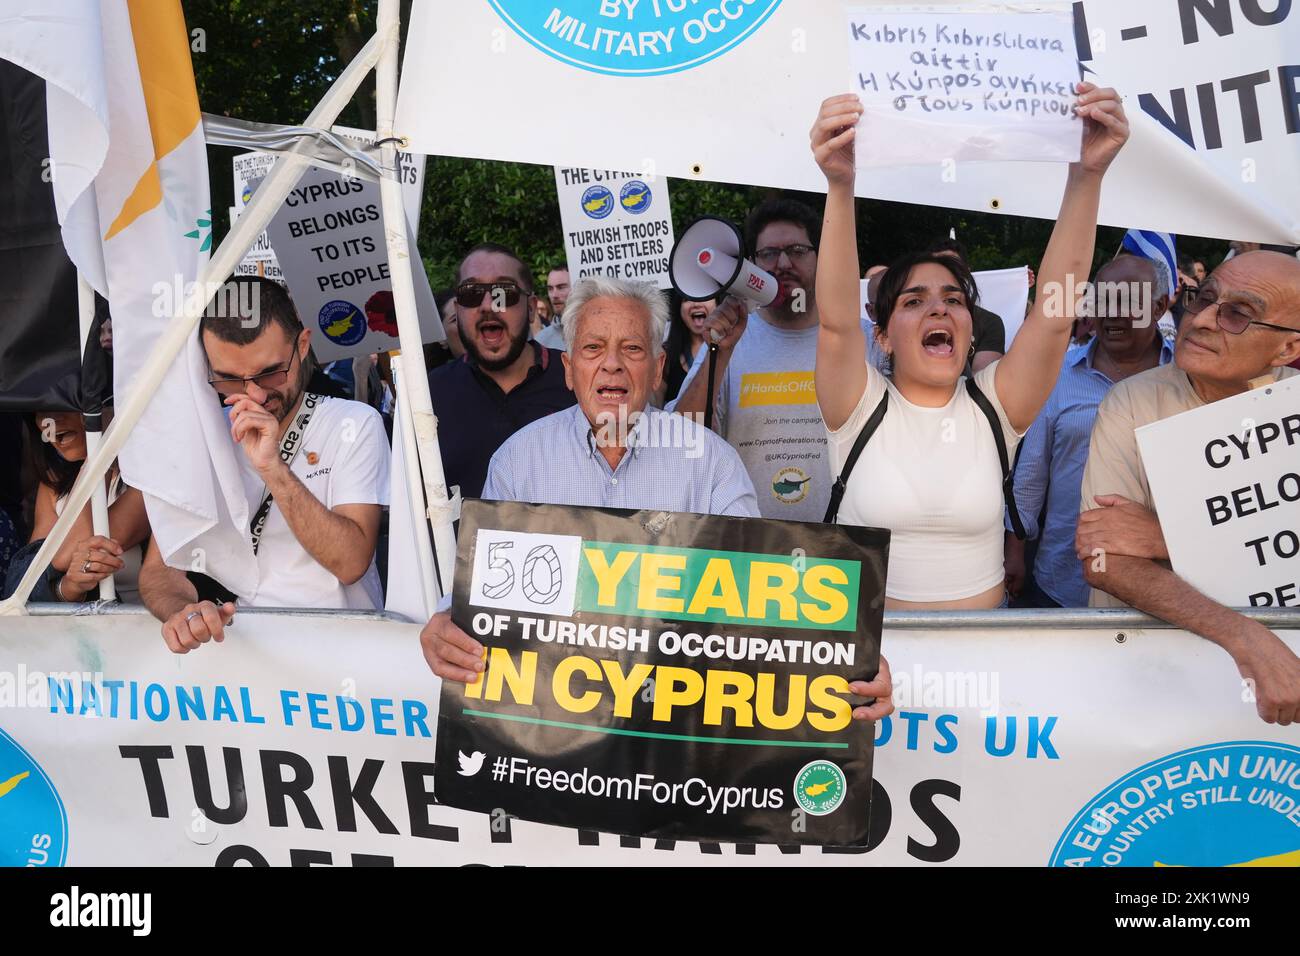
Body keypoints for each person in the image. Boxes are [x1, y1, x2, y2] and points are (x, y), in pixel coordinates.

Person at [419, 274, 893, 722]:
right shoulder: (518, 462)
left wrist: (847, 654)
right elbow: (484, 587)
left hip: (678, 728)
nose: (612, 364)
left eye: (632, 348)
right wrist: (446, 619)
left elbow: (765, 592)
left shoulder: (711, 462)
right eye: (592, 348)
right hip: (556, 727)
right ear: (568, 368)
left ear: (657, 367)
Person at [811, 82, 1129, 609]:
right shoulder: (856, 405)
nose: (938, 309)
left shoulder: (994, 408)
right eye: (913, 301)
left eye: (953, 299)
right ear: (883, 336)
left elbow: (1053, 317)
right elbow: (838, 322)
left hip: (986, 675)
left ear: (971, 327)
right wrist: (840, 185)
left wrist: (1087, 173)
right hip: (870, 677)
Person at [1077, 250, 1300, 724]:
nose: (1200, 321)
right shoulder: (1132, 400)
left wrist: (1166, 538)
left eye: (1239, 314)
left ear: (1287, 350)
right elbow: (1105, 560)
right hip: (1143, 675)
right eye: (1205, 298)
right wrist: (1245, 636)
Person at [139, 276, 390, 652]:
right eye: (228, 380)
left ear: (303, 346)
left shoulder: (353, 423)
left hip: (344, 655)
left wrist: (273, 468)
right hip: (248, 661)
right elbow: (159, 569)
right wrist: (184, 612)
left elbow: (351, 562)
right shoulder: (202, 438)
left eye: (271, 373)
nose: (254, 394)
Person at [670, 198, 880, 522]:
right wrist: (719, 353)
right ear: (752, 262)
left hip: (848, 544)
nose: (782, 264)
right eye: (768, 254)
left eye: (797, 250)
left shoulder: (864, 340)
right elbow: (683, 435)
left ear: (820, 258)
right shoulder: (730, 339)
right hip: (751, 544)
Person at [1005, 255, 1173, 608]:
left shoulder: (1188, 377)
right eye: (1102, 299)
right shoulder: (1057, 375)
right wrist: (1015, 551)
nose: (1110, 313)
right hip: (1063, 583)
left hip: (1166, 588)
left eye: (1126, 300)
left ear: (1159, 307)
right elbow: (1031, 475)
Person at [427, 243, 575, 499]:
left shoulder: (578, 380)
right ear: (458, 309)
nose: (487, 306)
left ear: (531, 308)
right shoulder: (430, 394)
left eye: (503, 293)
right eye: (471, 293)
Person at [18, 409, 149, 603]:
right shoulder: (53, 483)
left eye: (70, 405)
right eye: (41, 410)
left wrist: (104, 442)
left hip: (142, 628)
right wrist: (69, 588)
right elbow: (33, 575)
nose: (52, 419)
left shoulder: (147, 481)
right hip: (74, 627)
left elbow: (65, 557)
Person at [927, 237, 1005, 372]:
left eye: (953, 266)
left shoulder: (989, 321)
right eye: (938, 267)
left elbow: (980, 381)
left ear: (966, 272)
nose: (945, 273)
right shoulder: (913, 317)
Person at [659, 289, 714, 405]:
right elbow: (656, 407)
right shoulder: (664, 357)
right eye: (687, 299)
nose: (696, 304)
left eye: (704, 296)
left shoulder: (736, 351)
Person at [534, 264, 572, 350]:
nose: (554, 295)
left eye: (561, 287)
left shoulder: (597, 329)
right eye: (550, 289)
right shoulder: (542, 340)